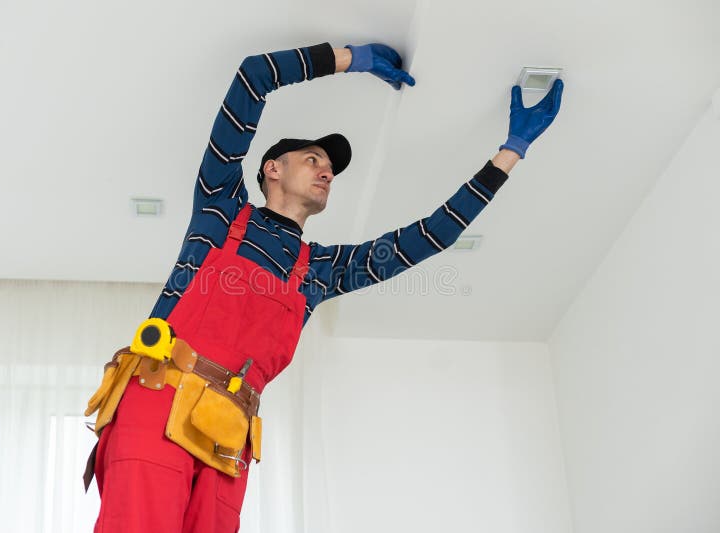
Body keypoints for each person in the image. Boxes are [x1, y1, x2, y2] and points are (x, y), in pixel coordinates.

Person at [84, 42, 563, 533]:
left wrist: (512, 152)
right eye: (313, 159)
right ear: (272, 169)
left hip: (228, 435)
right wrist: (351, 58)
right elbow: (255, 76)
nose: (327, 170)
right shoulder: (219, 210)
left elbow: (431, 236)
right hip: (158, 393)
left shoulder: (318, 272)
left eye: (329, 169)